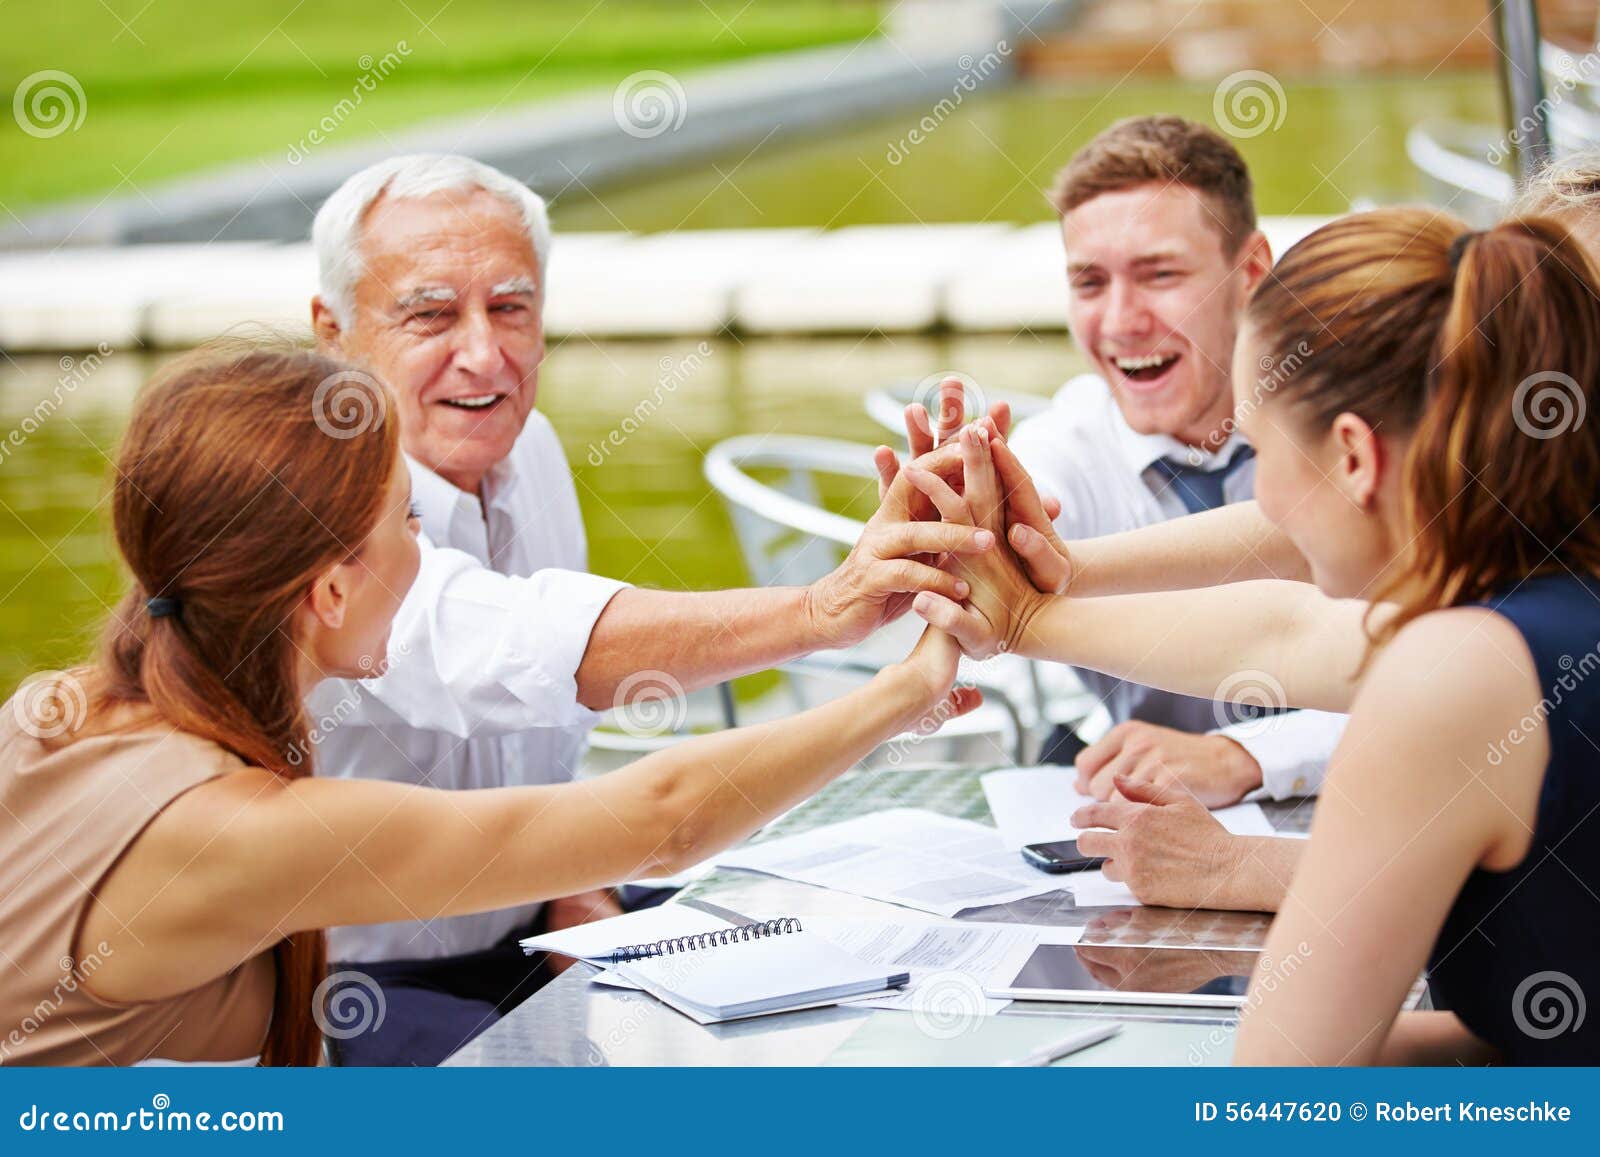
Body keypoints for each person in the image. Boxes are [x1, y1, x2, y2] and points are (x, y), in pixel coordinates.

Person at [0, 344, 979, 1067]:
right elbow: (659, 818)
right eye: (408, 522)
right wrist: (909, 681)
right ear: (330, 593)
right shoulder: (230, 828)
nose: (426, 552)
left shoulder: (52, 711)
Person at [301, 155, 986, 1063]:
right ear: (333, 335)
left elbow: (542, 730)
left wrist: (572, 895)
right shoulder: (316, 503)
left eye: (511, 308)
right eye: (430, 314)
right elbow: (525, 652)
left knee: (860, 995)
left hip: (540, 930)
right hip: (352, 988)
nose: (483, 353)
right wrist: (830, 608)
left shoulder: (525, 442)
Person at [908, 207, 1600, 1063]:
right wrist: (1027, 609)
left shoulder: (1454, 673)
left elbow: (1282, 1103)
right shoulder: (1540, 603)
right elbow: (1285, 627)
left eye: (1258, 448)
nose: (1260, 498)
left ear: (1353, 457)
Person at [877, 117, 1345, 808]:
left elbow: (1444, 676)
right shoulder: (1071, 442)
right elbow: (1033, 497)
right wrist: (974, 524)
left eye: (1160, 274)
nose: (1123, 320)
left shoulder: (1351, 421)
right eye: (1090, 282)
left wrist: (1250, 755)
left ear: (1249, 273)